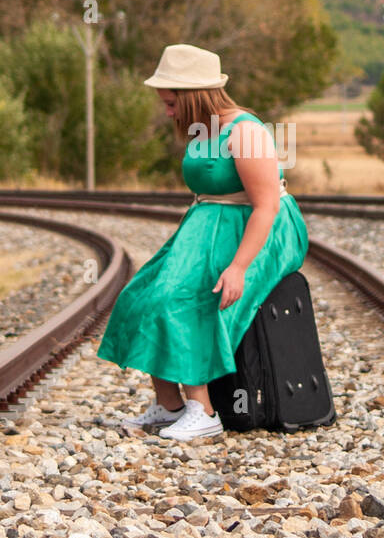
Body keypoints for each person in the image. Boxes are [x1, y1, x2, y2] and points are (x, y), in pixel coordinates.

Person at [97, 43, 309, 440]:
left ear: (194, 95)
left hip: (262, 230)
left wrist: (238, 268)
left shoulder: (245, 132)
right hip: (209, 226)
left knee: (189, 300)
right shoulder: (205, 128)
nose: (167, 111)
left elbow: (266, 207)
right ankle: (169, 405)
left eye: (171, 102)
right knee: (142, 296)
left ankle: (204, 411)